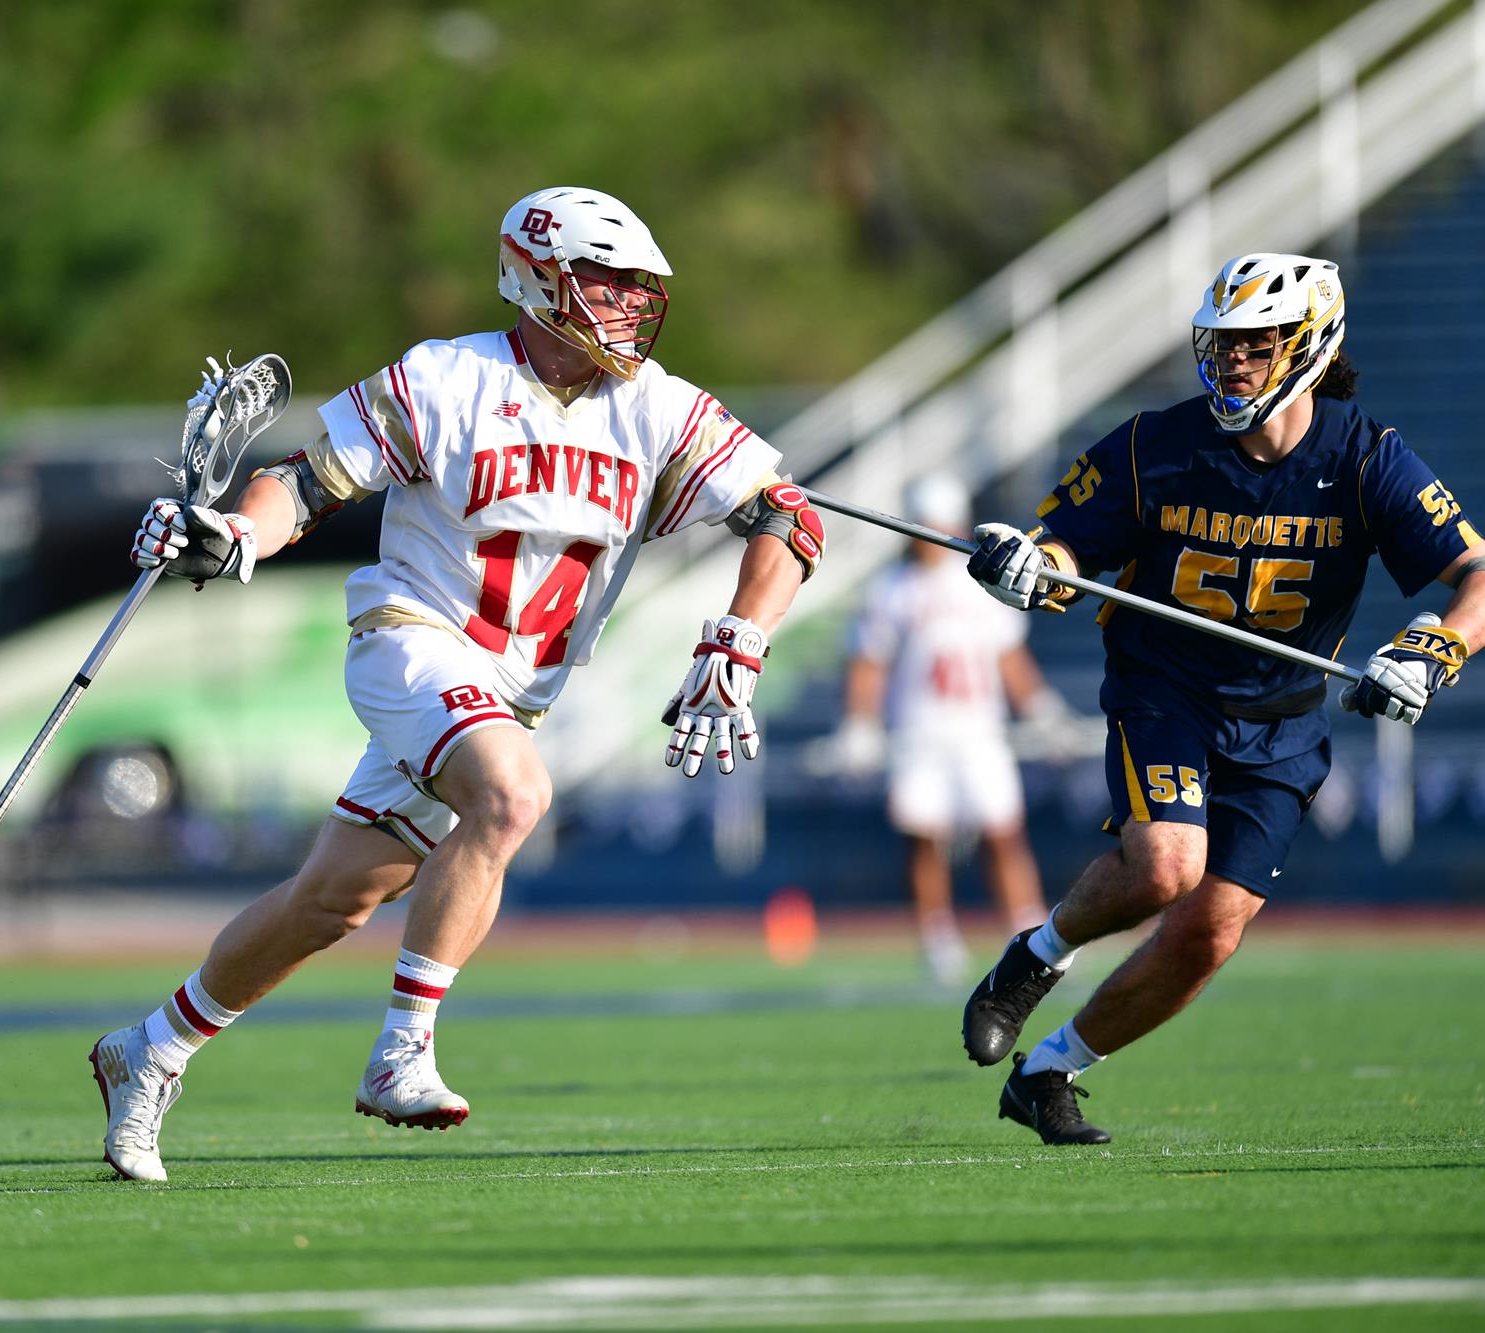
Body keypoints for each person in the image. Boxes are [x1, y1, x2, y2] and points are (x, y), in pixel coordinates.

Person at [88, 186, 828, 1182]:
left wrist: (742, 633)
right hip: (411, 639)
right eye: (599, 282)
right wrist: (231, 537)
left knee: (329, 902)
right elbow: (308, 481)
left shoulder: (658, 408)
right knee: (514, 793)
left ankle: (147, 1051)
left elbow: (788, 518)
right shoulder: (447, 377)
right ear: (533, 279)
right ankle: (402, 1051)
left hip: (510, 694)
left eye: (631, 288)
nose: (623, 305)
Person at [959, 252, 1484, 1144]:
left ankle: (1049, 1070)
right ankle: (1037, 954)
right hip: (1166, 690)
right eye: (1224, 342)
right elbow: (1064, 549)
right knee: (1167, 864)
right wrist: (1030, 569)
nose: (1233, 361)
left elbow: (1475, 576)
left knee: (1209, 931)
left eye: (1257, 343)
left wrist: (1435, 649)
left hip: (1282, 722)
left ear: (1310, 344)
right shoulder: (1155, 445)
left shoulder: (1366, 459)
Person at [836, 472, 1060, 985]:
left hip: (979, 730)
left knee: (1003, 832)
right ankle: (937, 936)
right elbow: (868, 661)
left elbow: (1009, 656)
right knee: (923, 835)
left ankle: (1031, 929)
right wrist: (859, 722)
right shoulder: (891, 590)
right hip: (919, 731)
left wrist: (1042, 709)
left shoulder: (979, 583)